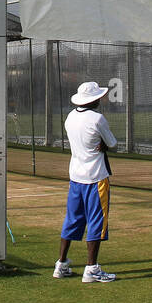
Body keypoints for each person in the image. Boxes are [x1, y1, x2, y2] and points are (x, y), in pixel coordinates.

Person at [54, 80, 117, 283]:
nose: (100, 99)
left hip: (76, 177)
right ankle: (91, 269)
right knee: (97, 221)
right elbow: (113, 144)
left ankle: (61, 264)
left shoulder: (70, 117)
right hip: (96, 178)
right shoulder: (98, 119)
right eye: (98, 96)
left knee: (72, 219)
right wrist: (104, 147)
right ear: (93, 100)